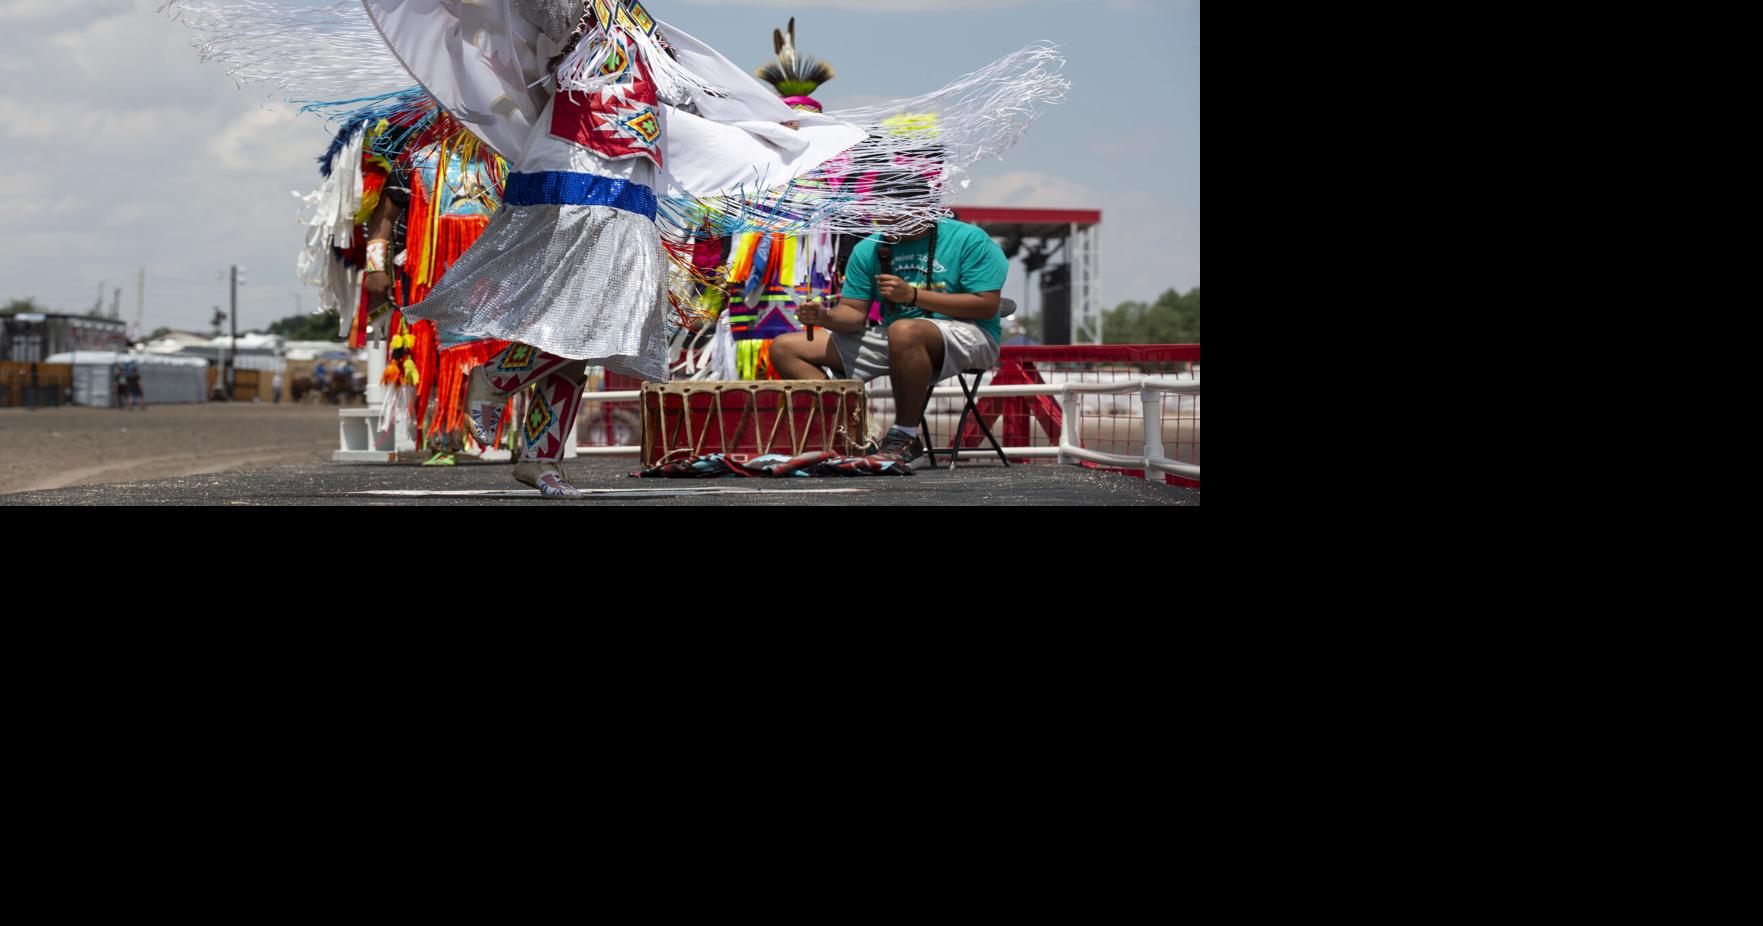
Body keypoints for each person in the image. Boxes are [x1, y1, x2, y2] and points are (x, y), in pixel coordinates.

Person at [771, 208, 1008, 467]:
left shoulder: (969, 238)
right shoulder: (869, 248)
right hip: (899, 337)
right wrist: (825, 318)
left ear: (922, 207)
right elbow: (852, 313)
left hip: (972, 334)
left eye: (894, 211)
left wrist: (913, 296)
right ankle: (853, 436)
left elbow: (986, 305)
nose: (886, 219)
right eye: (881, 211)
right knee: (785, 347)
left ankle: (905, 437)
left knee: (904, 330)